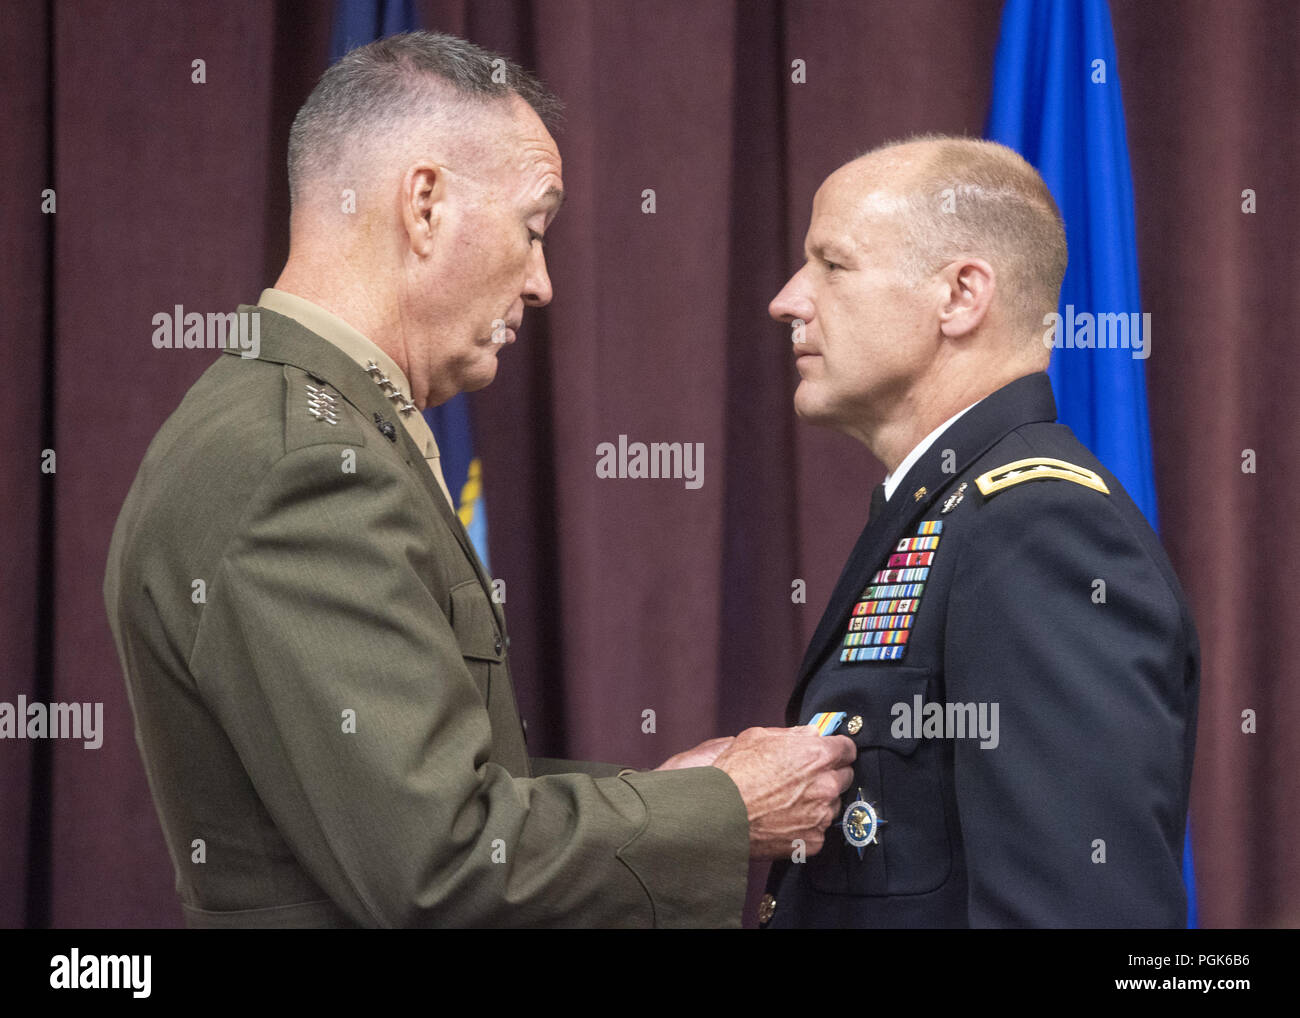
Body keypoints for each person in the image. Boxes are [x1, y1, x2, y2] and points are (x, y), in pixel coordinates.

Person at [103, 31, 854, 929]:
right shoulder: (299, 464)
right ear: (424, 206)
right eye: (533, 228)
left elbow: (415, 803)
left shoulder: (306, 419)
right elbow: (442, 865)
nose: (541, 283)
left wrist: (680, 795)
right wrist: (727, 812)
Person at [760, 136, 1200, 928]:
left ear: (961, 295)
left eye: (833, 263)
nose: (789, 299)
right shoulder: (944, 511)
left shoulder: (1036, 527)